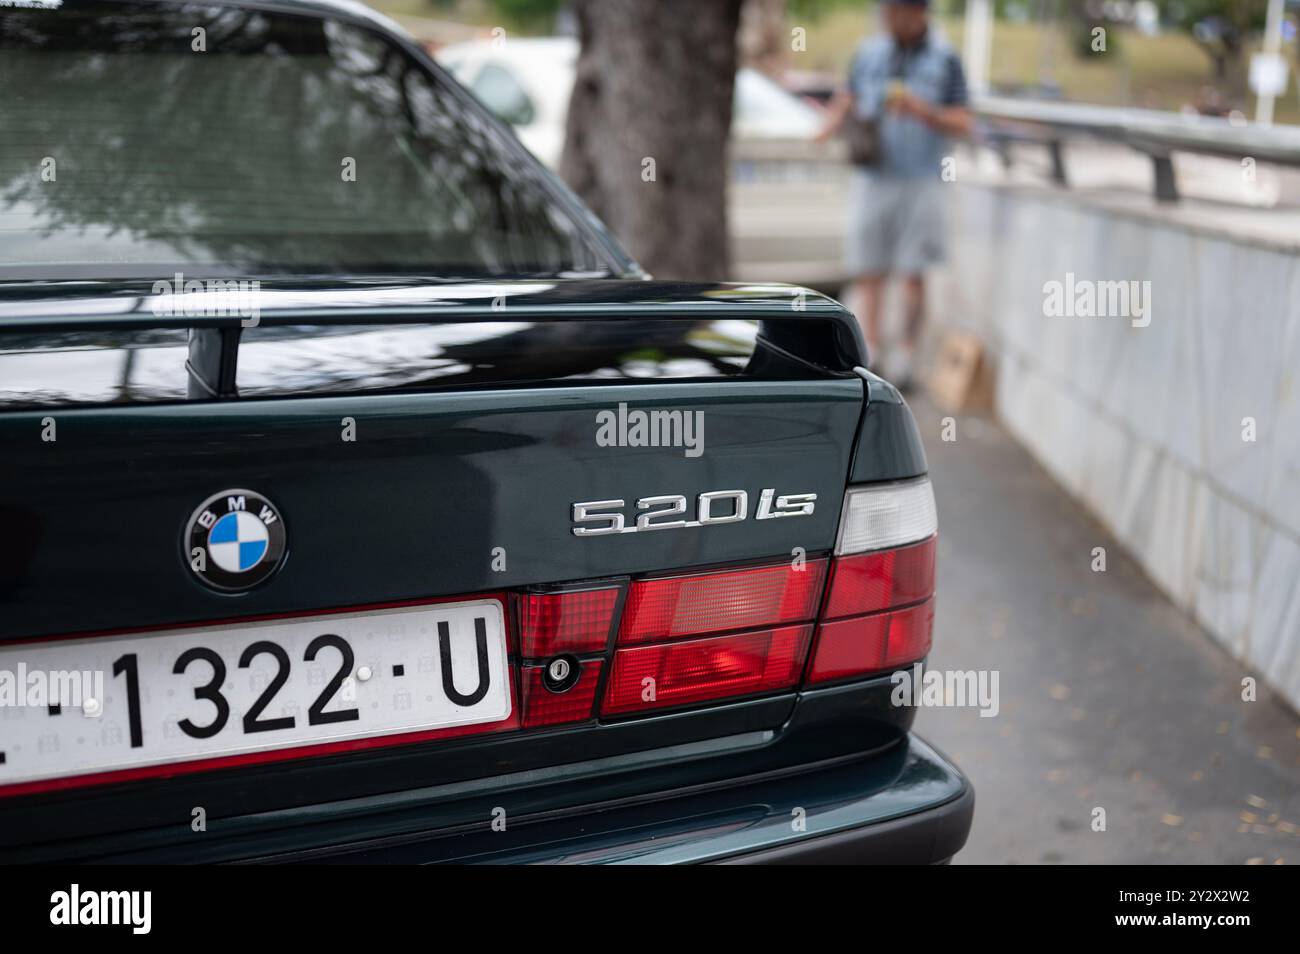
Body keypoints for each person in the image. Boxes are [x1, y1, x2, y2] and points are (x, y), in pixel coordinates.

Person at [816, 0, 972, 390]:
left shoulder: (946, 58)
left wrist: (923, 111)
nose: (890, 18)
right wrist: (829, 125)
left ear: (919, 12)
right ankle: (872, 352)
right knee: (869, 268)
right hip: (874, 175)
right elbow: (848, 95)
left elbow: (963, 120)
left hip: (923, 178)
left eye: (898, 11)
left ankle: (905, 357)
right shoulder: (869, 52)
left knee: (913, 272)